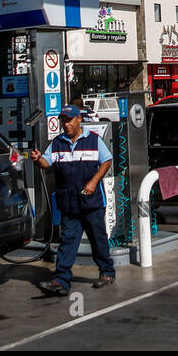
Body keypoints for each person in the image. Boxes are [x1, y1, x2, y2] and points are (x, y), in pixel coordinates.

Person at [29, 106, 115, 295]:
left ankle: (107, 272)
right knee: (67, 242)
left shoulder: (93, 140)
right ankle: (61, 280)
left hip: (91, 202)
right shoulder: (58, 143)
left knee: (98, 239)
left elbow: (107, 160)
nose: (66, 124)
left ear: (78, 119)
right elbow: (47, 163)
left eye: (69, 120)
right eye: (63, 121)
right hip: (69, 203)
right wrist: (38, 159)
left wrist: (93, 182)